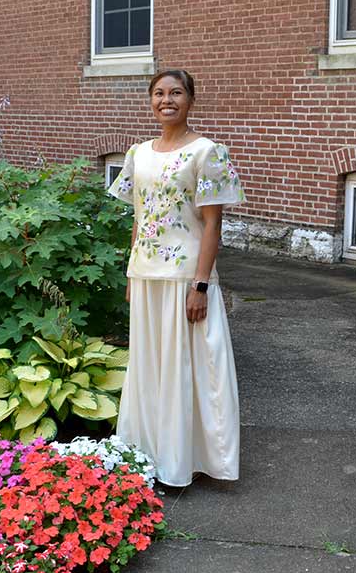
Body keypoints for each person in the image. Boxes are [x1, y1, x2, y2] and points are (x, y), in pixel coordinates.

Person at [108, 69, 245, 487]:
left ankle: (185, 459)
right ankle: (146, 454)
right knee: (149, 370)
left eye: (176, 93)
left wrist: (200, 285)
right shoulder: (137, 153)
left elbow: (213, 225)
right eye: (159, 93)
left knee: (189, 370)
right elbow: (139, 217)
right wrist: (131, 273)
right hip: (146, 275)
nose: (166, 100)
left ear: (191, 100)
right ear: (150, 100)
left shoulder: (207, 152)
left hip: (185, 278)